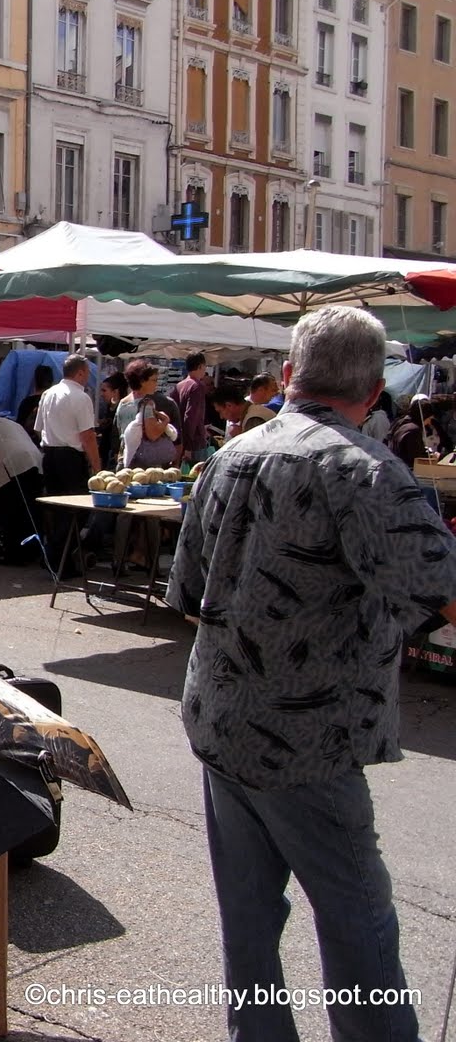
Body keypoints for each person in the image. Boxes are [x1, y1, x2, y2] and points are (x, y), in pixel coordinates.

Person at [167, 306, 456, 1042]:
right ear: (372, 388)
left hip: (223, 716)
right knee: (357, 915)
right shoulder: (363, 470)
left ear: (291, 374)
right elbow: (440, 591)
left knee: (250, 918)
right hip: (305, 737)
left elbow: (191, 591)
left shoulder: (235, 451)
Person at [0, 410, 45, 565]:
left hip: (14, 468)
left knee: (11, 511)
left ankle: (14, 554)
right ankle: (33, 551)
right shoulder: (11, 423)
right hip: (35, 463)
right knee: (30, 510)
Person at [34, 355, 100, 495]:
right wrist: (97, 467)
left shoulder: (48, 393)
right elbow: (87, 436)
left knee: (54, 505)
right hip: (70, 457)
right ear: (80, 373)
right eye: (87, 373)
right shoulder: (81, 397)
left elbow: (38, 428)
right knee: (76, 505)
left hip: (49, 455)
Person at [173, 352, 211, 460]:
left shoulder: (179, 385)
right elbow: (190, 417)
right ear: (200, 366)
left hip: (178, 439)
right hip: (194, 443)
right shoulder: (197, 386)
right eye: (205, 366)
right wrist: (188, 447)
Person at [95, 372, 128, 471]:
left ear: (115, 392)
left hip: (114, 455)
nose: (101, 394)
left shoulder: (122, 409)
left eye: (104, 390)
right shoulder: (110, 407)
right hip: (106, 453)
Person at [17, 366, 54, 441]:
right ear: (52, 382)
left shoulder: (26, 402)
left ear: (35, 381)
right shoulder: (54, 401)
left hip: (30, 443)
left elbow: (19, 427)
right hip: (50, 444)